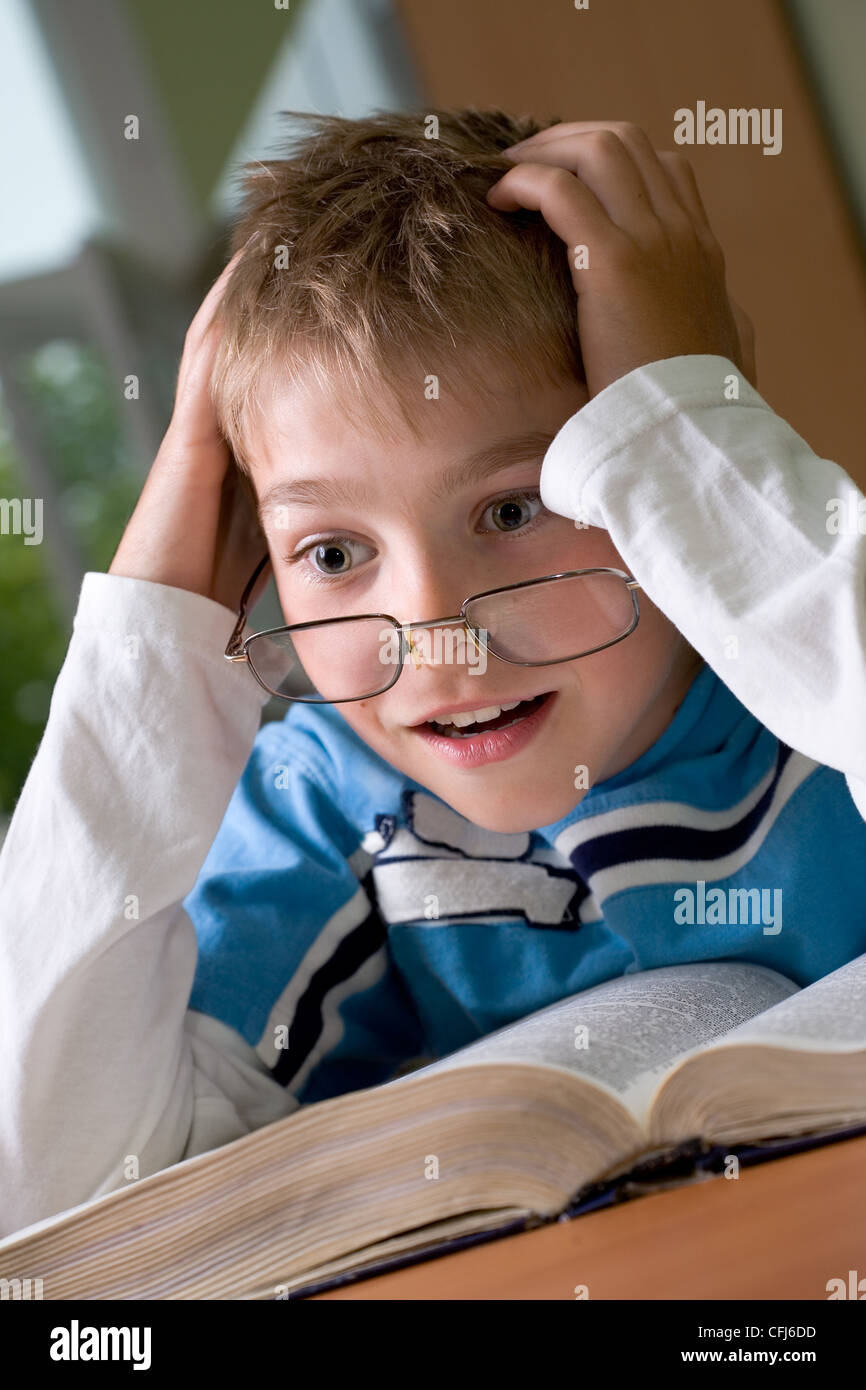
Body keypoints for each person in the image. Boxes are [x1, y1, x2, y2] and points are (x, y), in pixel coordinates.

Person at [1, 111, 864, 1239]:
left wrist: (684, 432)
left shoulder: (813, 673)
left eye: (512, 509)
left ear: (665, 472)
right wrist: (156, 629)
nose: (435, 635)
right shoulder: (320, 811)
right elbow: (54, 1186)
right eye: (332, 553)